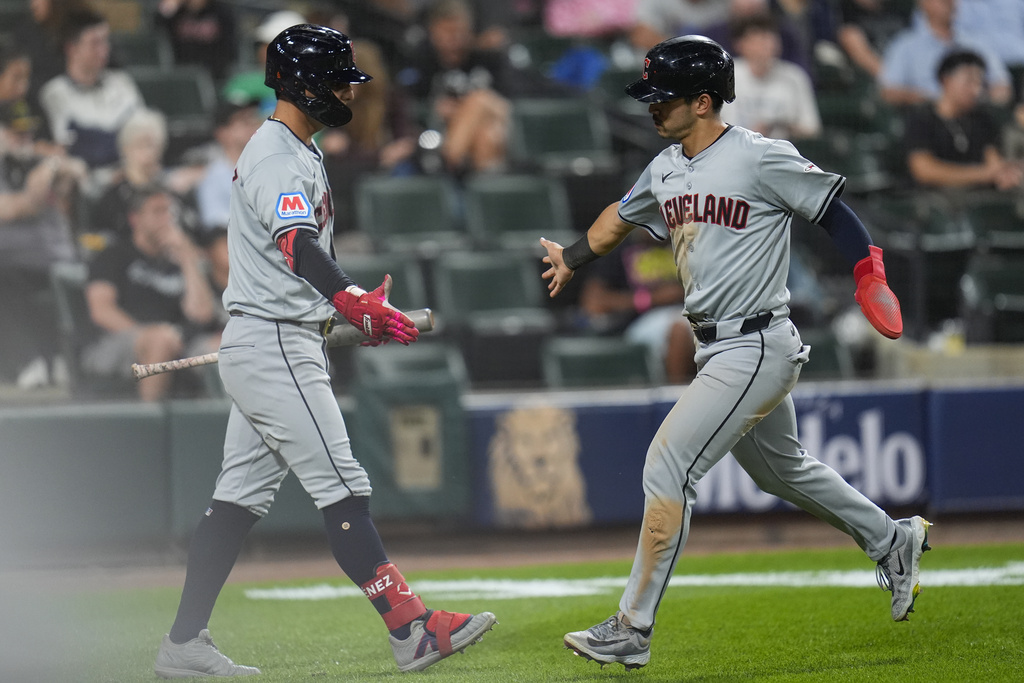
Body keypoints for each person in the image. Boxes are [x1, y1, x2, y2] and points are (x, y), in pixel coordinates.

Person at [539, 35, 931, 670]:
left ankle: (631, 628)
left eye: (661, 97)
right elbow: (620, 217)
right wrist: (573, 257)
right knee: (782, 471)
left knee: (667, 466)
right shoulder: (665, 166)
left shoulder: (758, 156)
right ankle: (892, 539)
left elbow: (835, 210)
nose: (650, 107)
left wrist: (868, 273)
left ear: (702, 100)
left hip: (754, 342)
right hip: (717, 345)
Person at [153, 25, 496, 678]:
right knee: (343, 488)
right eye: (338, 80)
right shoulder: (277, 154)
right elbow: (298, 246)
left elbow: (296, 261)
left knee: (236, 498)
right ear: (303, 82)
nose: (347, 92)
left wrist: (345, 311)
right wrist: (348, 300)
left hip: (276, 337)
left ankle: (183, 643)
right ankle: (412, 627)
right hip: (276, 346)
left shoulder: (296, 148)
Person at [82, 187, 219, 401]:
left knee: (228, 346)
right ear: (135, 218)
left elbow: (202, 314)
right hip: (117, 343)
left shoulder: (179, 261)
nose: (167, 219)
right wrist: (149, 336)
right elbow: (102, 311)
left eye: (170, 212)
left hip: (180, 341)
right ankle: (151, 426)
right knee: (160, 340)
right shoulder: (113, 256)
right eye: (158, 212)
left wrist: (186, 258)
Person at [0, 68, 86, 388]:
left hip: (54, 258)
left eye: (27, 133)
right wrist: (36, 184)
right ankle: (27, 361)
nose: (24, 140)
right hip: (11, 262)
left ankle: (57, 359)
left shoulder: (42, 163)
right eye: (14, 133)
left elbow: (78, 171)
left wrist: (52, 165)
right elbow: (14, 207)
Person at [398, 0, 514, 174]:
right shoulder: (422, 61)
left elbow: (510, 103)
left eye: (461, 31)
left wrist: (467, 108)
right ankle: (484, 193)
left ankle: (448, 162)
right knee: (486, 136)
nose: (455, 39)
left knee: (480, 101)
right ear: (433, 31)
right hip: (442, 131)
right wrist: (434, 108)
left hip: (498, 122)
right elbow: (409, 104)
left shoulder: (488, 58)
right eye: (448, 32)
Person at [38, 8, 143, 172]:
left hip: (130, 172)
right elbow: (71, 148)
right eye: (95, 43)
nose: (104, 49)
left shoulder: (122, 81)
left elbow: (143, 134)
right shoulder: (55, 93)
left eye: (105, 41)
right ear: (71, 48)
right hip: (85, 177)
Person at [905, 49, 1024, 190]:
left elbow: (993, 161)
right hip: (931, 201)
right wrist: (984, 174)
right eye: (969, 82)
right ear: (946, 80)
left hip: (978, 198)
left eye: (980, 83)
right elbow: (924, 171)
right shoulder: (922, 118)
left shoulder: (982, 118)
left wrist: (1006, 174)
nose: (976, 90)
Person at [878, 0, 1012, 106]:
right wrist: (936, 102)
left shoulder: (976, 44)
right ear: (924, 4)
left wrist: (983, 100)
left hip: (974, 116)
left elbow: (1002, 86)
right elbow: (889, 92)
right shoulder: (905, 46)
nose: (950, 3)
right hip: (927, 118)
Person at [721, 12, 822, 140]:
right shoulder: (725, 74)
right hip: (735, 151)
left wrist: (780, 126)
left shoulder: (795, 76)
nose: (768, 43)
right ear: (740, 44)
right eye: (760, 37)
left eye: (771, 36)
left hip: (783, 151)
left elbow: (812, 129)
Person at [154, 0, 238, 82]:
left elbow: (230, 46)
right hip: (182, 72)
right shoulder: (177, 12)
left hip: (215, 73)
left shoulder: (221, 10)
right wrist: (169, 6)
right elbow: (156, 27)